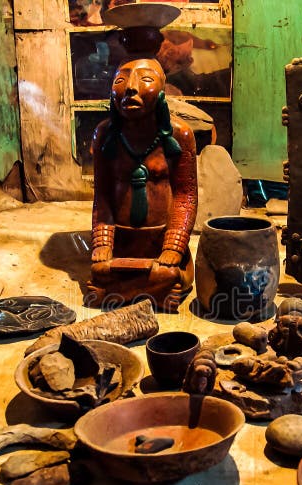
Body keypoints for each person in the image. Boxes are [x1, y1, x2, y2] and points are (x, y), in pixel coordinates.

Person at [86, 57, 197, 311]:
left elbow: (186, 196)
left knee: (167, 275)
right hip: (120, 250)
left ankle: (120, 293)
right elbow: (102, 196)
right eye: (120, 80)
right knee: (100, 271)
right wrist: (103, 244)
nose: (131, 87)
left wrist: (174, 246)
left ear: (161, 91)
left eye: (145, 79)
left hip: (161, 248)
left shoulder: (180, 135)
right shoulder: (105, 134)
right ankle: (151, 294)